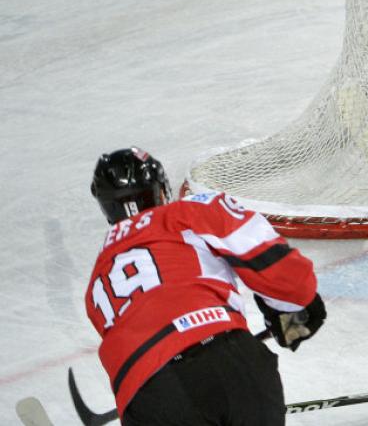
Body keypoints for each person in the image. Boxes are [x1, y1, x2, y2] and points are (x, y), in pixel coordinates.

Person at [84, 147, 327, 425]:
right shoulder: (185, 212)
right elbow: (283, 274)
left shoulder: (96, 281)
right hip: (227, 364)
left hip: (147, 398)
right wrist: (295, 317)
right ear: (160, 190)